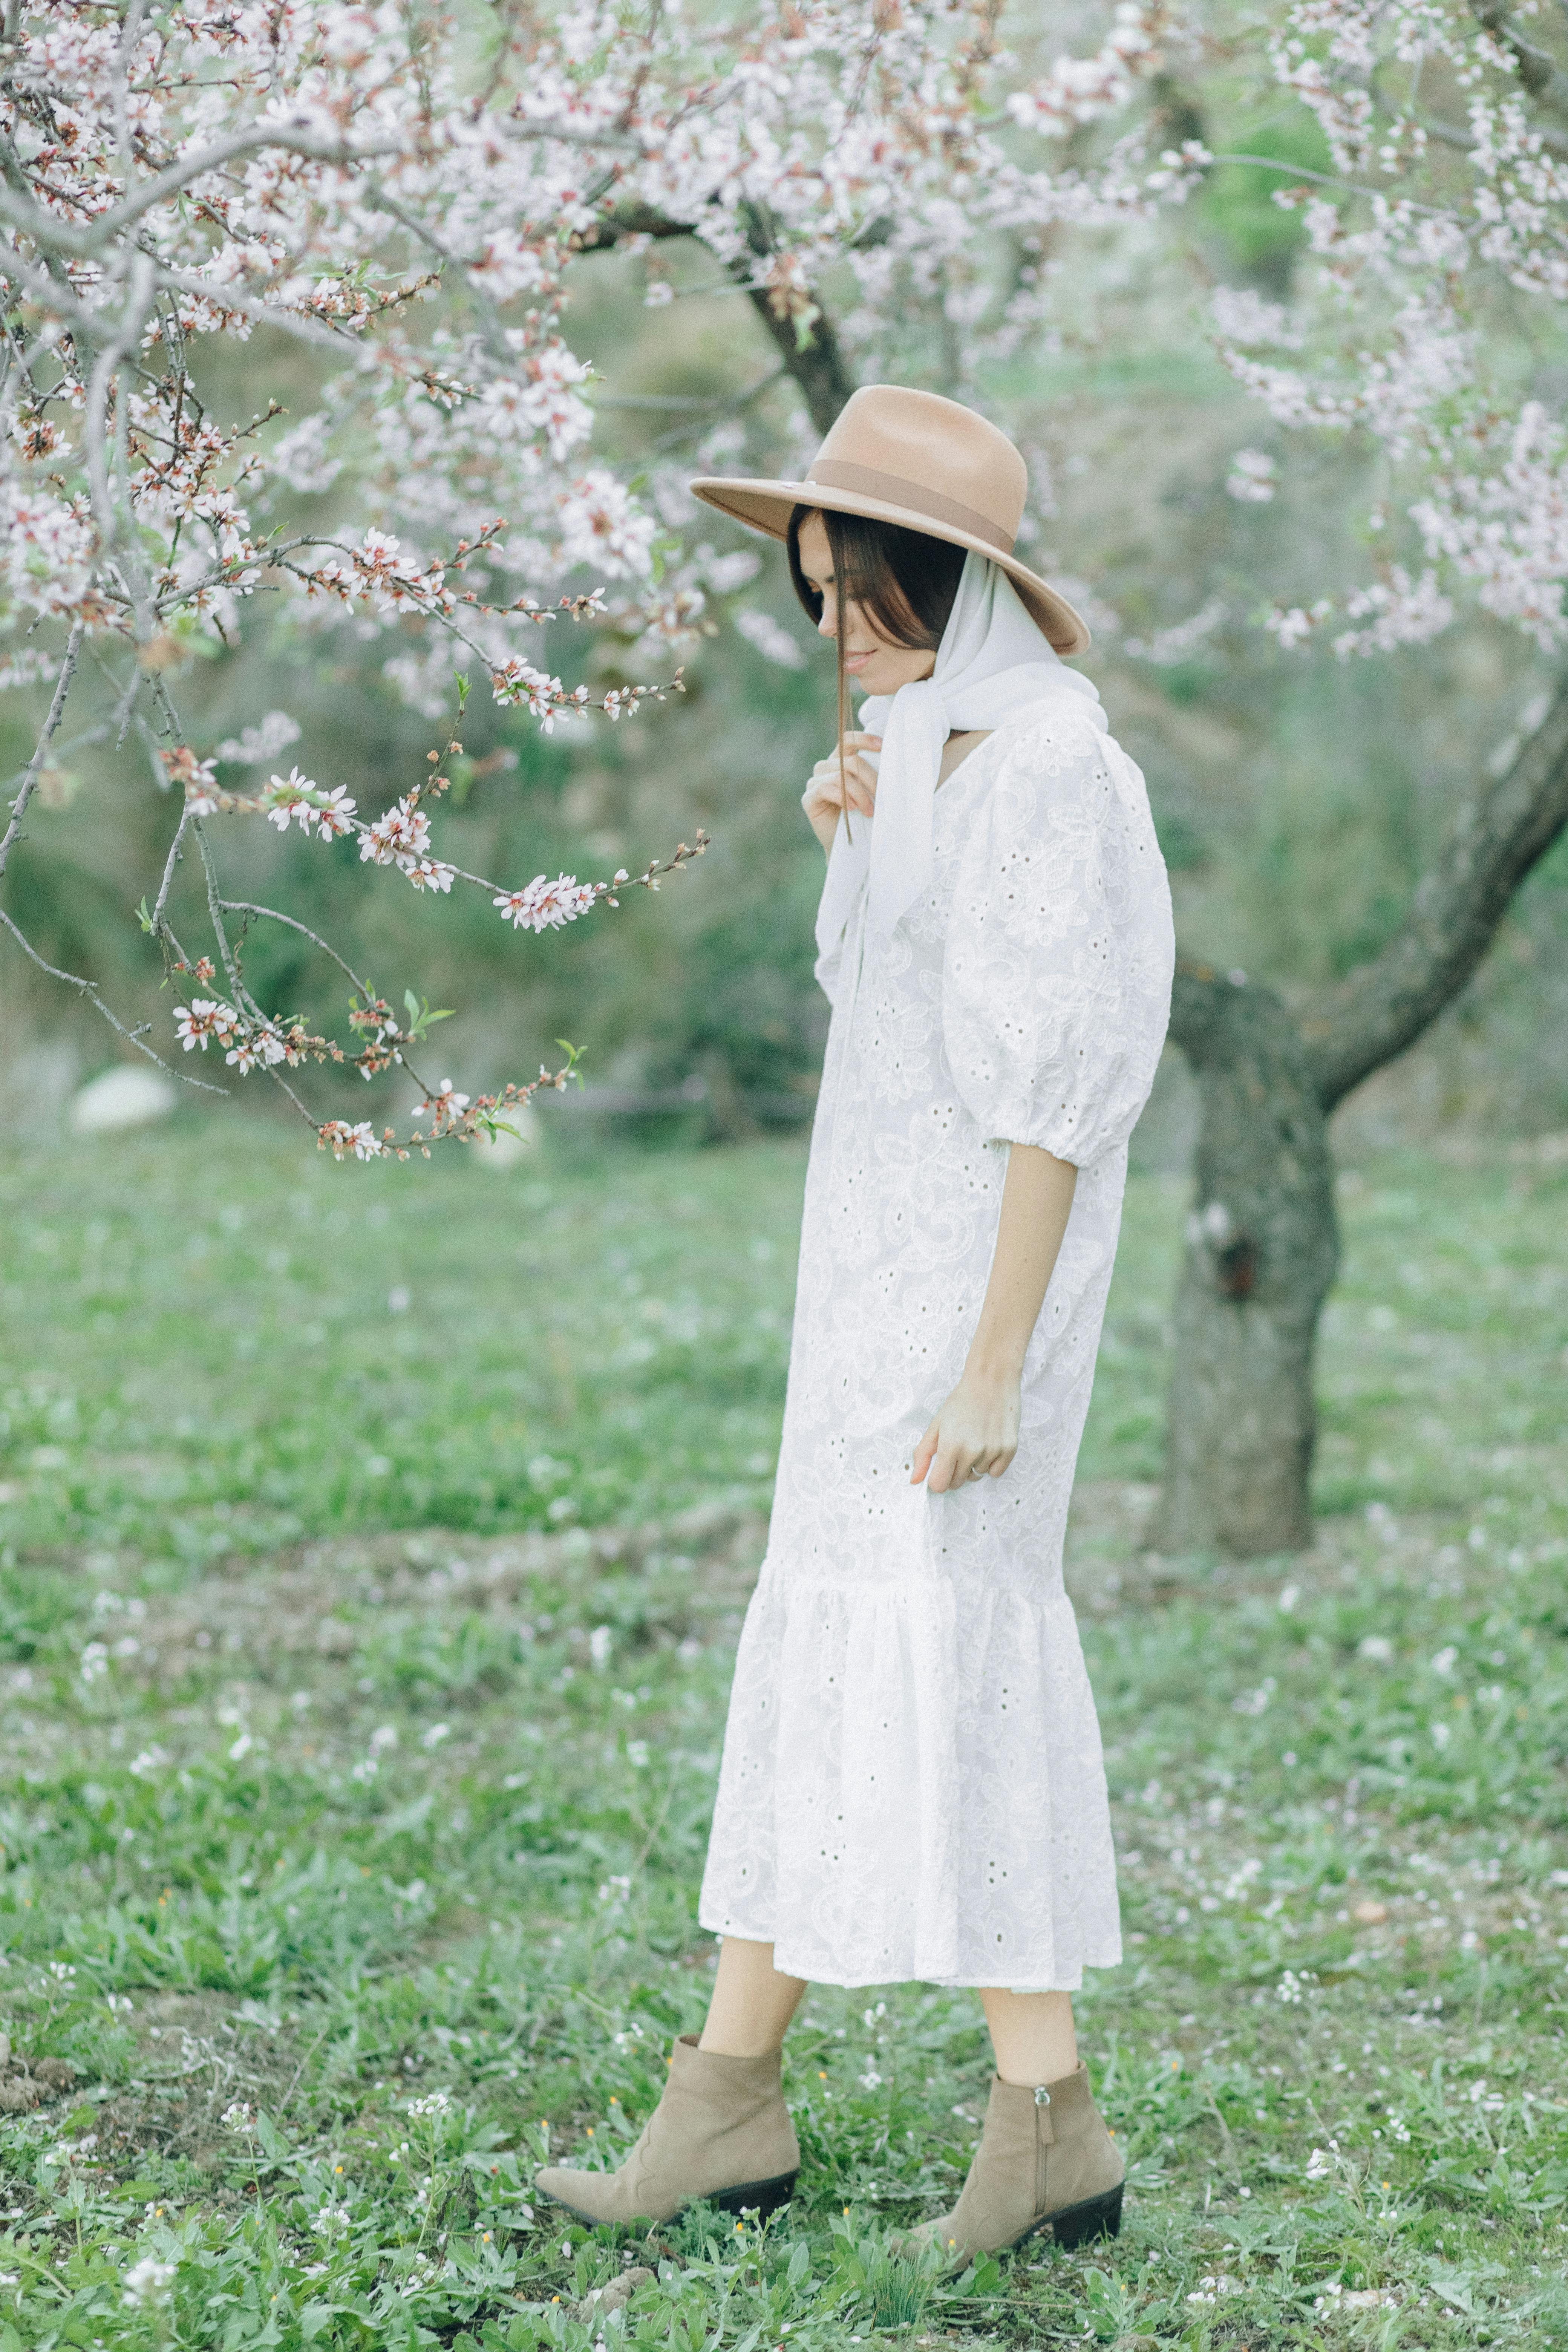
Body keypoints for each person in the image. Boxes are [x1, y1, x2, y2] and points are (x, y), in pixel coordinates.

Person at [536, 385, 1175, 2262]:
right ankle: (723, 2101)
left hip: (977, 1288)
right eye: (814, 591)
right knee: (830, 1646)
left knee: (953, 1648)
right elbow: (889, 1012)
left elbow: (1051, 1098)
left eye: (860, 590)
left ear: (941, 577)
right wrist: (855, 822)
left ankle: (1044, 2119)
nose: (834, 628)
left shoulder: (1057, 766)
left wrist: (993, 1360)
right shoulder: (926, 747)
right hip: (867, 1269)